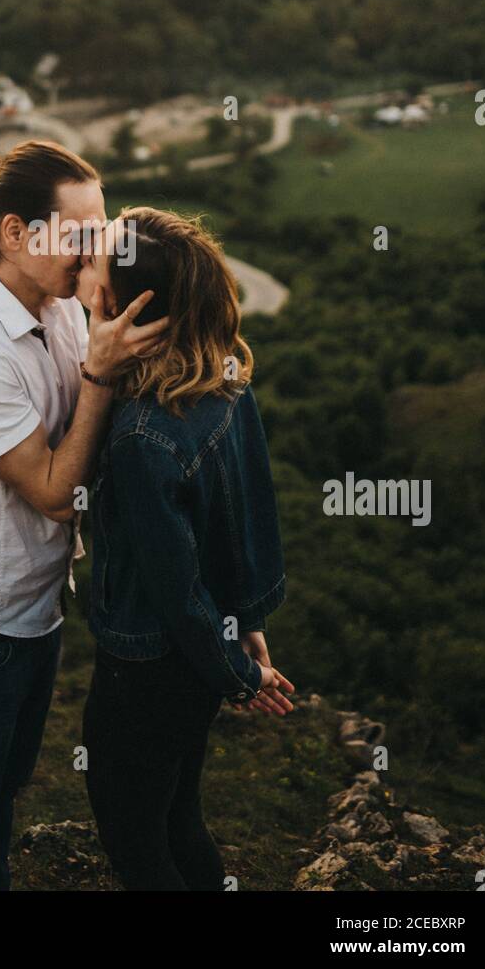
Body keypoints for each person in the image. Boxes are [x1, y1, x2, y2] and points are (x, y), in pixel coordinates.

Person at [0, 142, 167, 891]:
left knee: (0, 800)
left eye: (104, 230)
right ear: (16, 235)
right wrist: (99, 370)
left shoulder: (55, 307)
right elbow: (56, 489)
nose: (99, 251)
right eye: (81, 235)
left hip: (37, 614)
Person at [74, 208, 294, 892]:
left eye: (95, 261)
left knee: (133, 836)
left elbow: (174, 588)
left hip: (146, 665)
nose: (80, 261)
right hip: (194, 667)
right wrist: (248, 627)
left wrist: (236, 669)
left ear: (128, 304)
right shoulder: (225, 378)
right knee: (178, 814)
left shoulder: (143, 435)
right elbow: (244, 519)